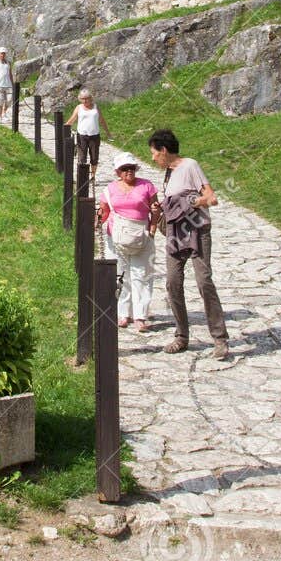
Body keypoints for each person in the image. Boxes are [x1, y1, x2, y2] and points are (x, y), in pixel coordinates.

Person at [149, 127, 229, 361]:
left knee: (204, 281)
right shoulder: (169, 174)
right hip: (175, 233)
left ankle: (220, 339)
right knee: (173, 283)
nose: (153, 158)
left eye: (154, 153)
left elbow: (211, 198)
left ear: (164, 150)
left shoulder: (190, 165)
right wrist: (162, 207)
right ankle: (181, 336)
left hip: (196, 230)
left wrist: (192, 201)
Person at [99, 153, 158, 330]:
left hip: (142, 236)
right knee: (121, 275)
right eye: (125, 169)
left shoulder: (147, 186)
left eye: (131, 168)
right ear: (118, 172)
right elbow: (104, 212)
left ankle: (140, 315)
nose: (129, 172)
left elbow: (155, 210)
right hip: (116, 237)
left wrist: (152, 231)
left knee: (142, 275)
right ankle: (123, 313)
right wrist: (97, 219)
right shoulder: (109, 190)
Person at [64, 89, 110, 171]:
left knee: (94, 158)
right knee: (82, 158)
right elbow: (72, 119)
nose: (85, 100)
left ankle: (93, 176)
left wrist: (108, 133)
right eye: (82, 98)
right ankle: (82, 178)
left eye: (87, 98)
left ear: (90, 98)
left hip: (95, 136)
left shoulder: (96, 107)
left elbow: (102, 120)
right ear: (80, 99)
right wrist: (64, 128)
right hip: (82, 136)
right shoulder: (79, 108)